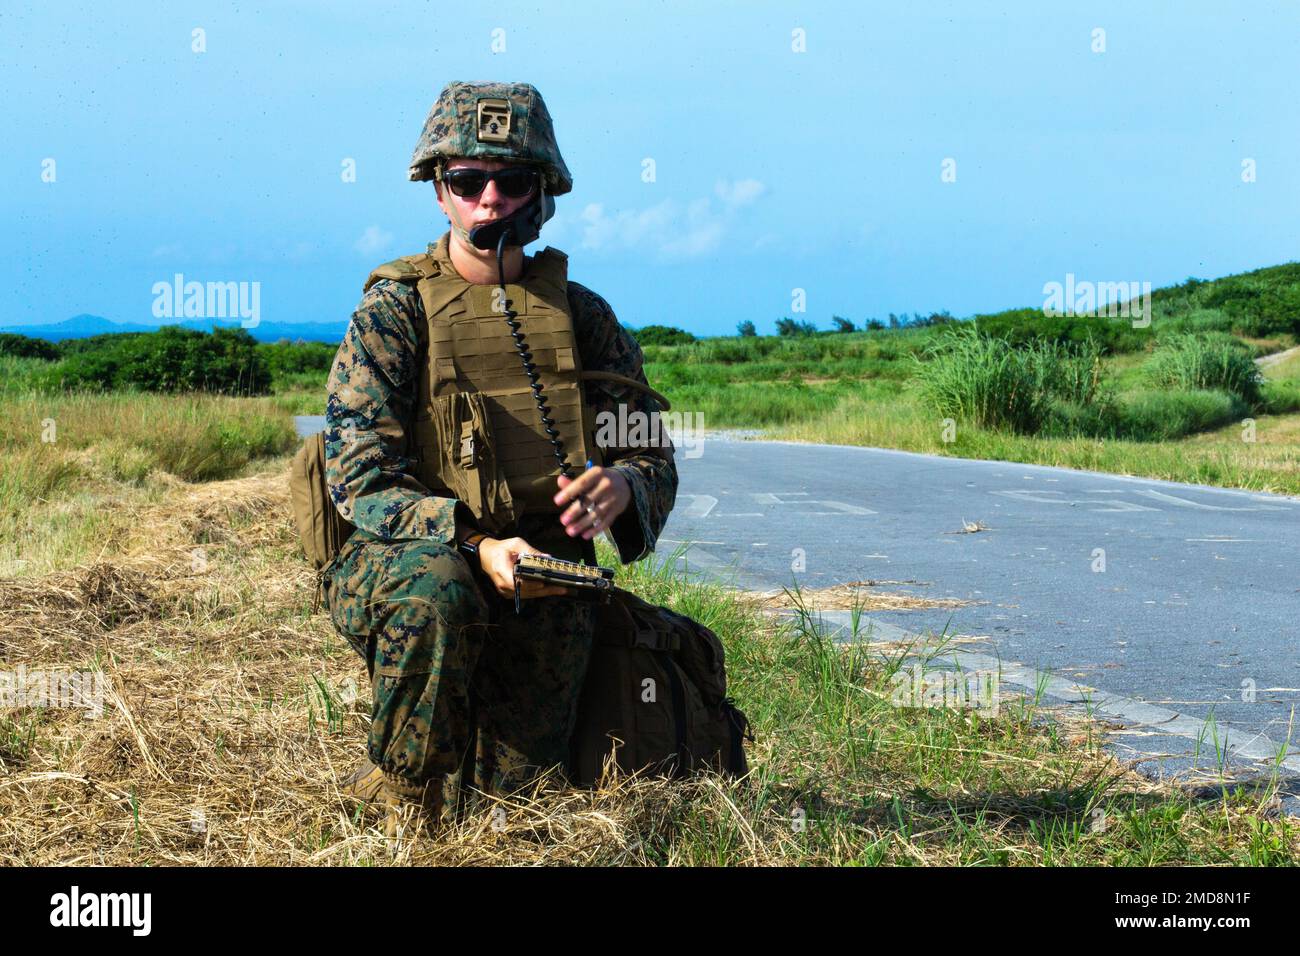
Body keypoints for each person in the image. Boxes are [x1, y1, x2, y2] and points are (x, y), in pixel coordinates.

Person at [320, 81, 678, 835]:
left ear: (541, 196)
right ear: (439, 193)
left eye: (512, 181)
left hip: (544, 575)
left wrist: (623, 486)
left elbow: (650, 451)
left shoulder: (582, 316)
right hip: (415, 560)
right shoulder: (395, 311)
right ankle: (401, 792)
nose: (491, 201)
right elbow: (359, 477)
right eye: (467, 181)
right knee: (437, 593)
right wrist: (476, 544)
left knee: (515, 809)